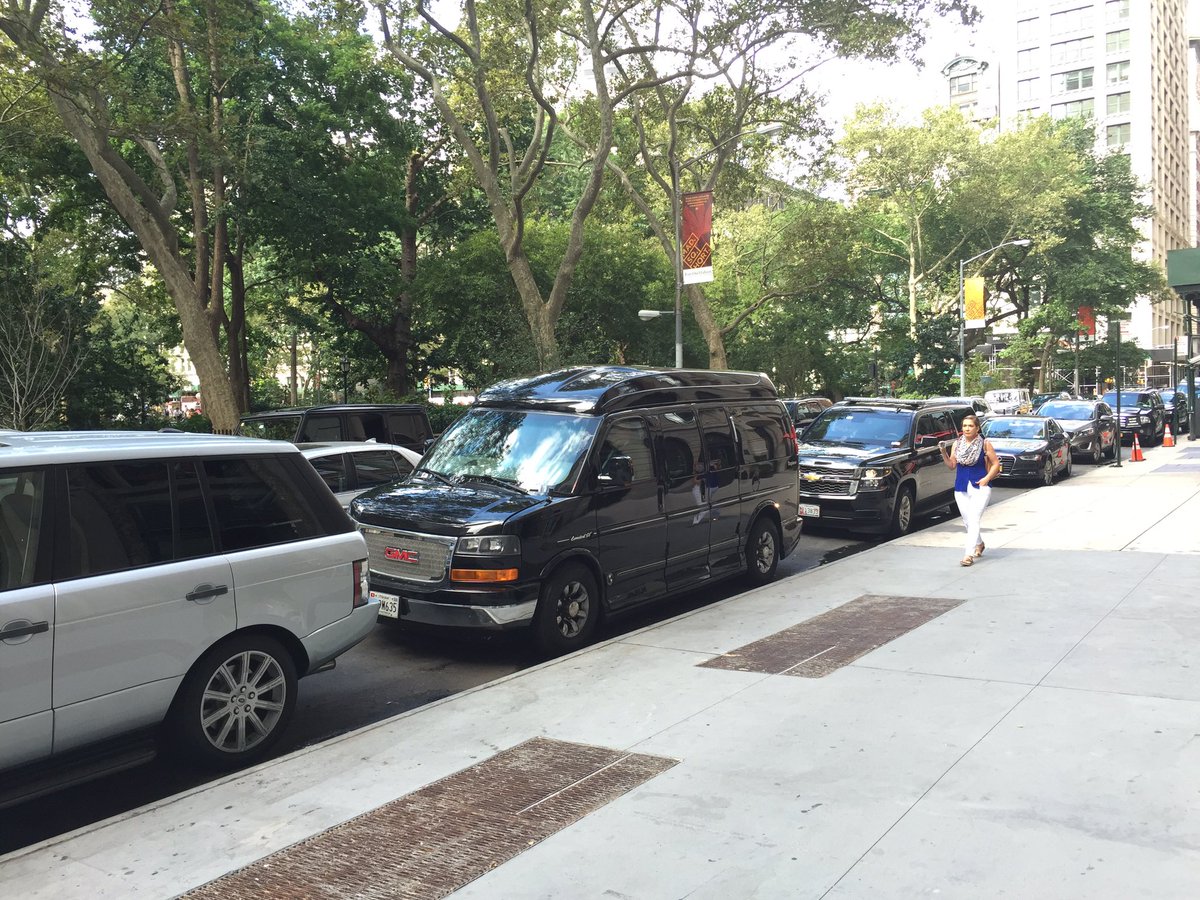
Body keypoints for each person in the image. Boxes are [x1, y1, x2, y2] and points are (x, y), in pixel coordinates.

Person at [939, 414, 1001, 567]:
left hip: (980, 486)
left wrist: (987, 478)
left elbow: (995, 464)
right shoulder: (957, 444)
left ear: (977, 428)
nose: (967, 428)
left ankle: (968, 554)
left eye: (970, 426)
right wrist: (943, 452)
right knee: (967, 521)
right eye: (965, 426)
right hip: (961, 486)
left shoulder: (985, 444)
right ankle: (979, 544)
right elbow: (952, 465)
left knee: (973, 519)